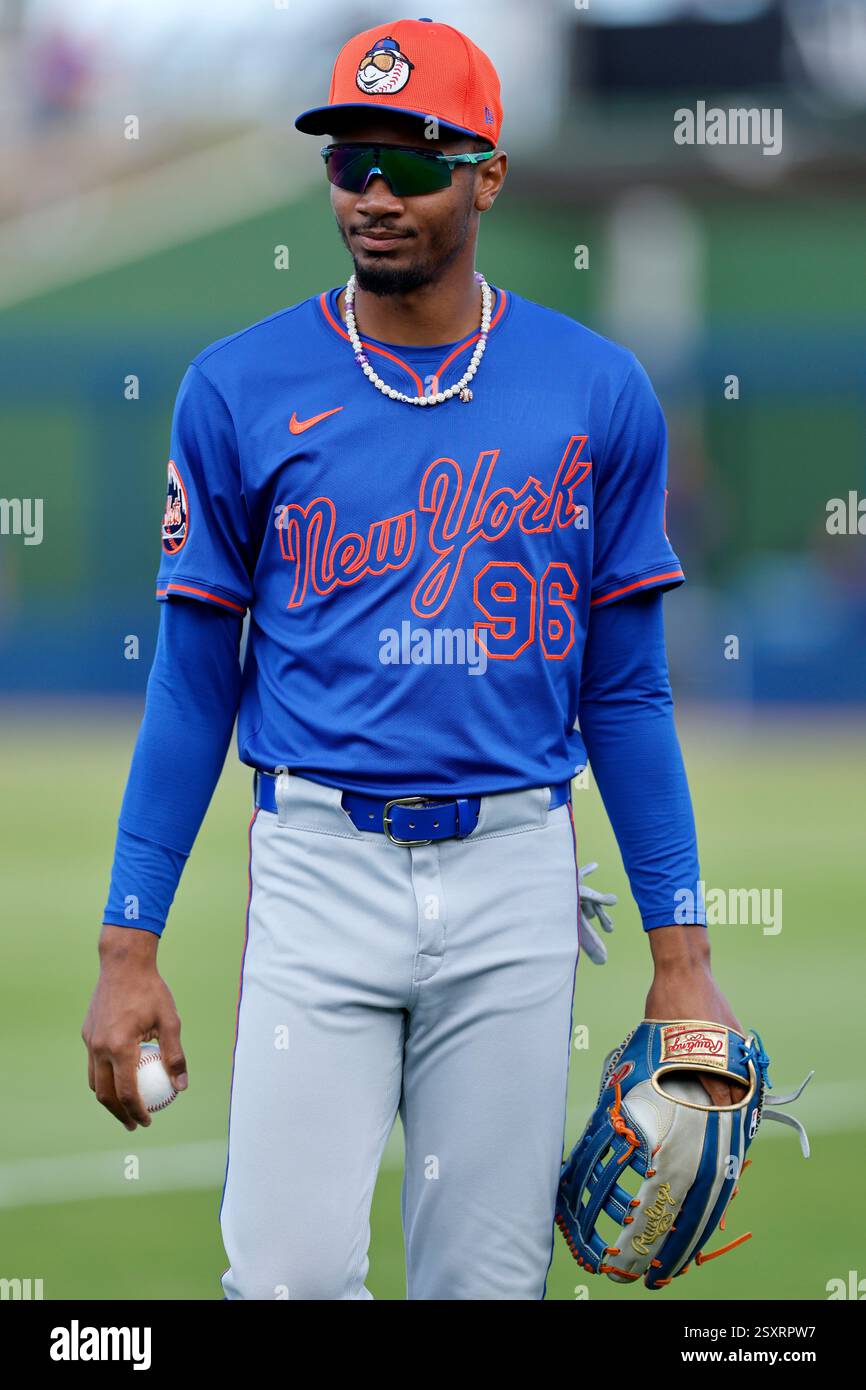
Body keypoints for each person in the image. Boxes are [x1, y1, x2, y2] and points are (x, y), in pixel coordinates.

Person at [83, 17, 741, 1301]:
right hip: (318, 869)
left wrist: (680, 951)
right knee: (283, 1281)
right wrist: (127, 946)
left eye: (409, 161)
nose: (372, 192)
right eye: (346, 162)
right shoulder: (235, 385)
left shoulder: (594, 389)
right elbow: (188, 685)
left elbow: (625, 691)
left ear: (486, 173)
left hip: (514, 875)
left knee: (481, 1290)